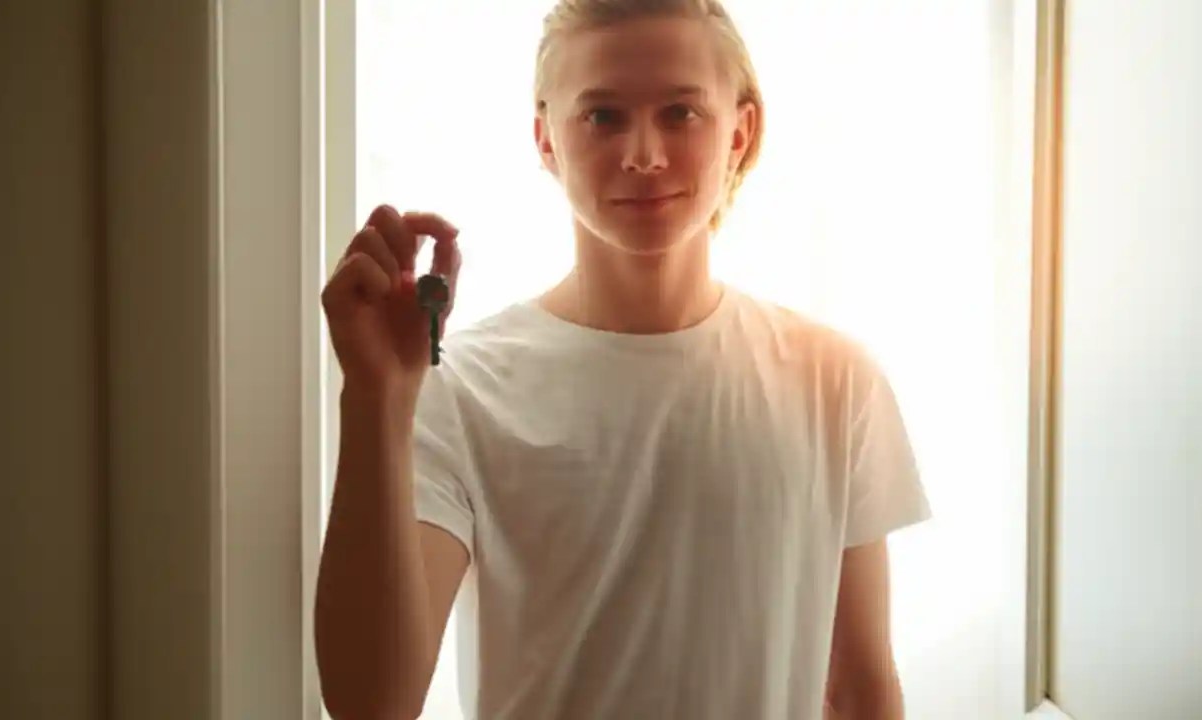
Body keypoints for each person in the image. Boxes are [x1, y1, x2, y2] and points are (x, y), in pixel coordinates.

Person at [314, 1, 932, 718]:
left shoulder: (835, 381)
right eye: (603, 116)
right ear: (547, 139)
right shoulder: (461, 390)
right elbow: (370, 705)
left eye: (680, 112)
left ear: (742, 129)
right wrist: (374, 397)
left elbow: (861, 691)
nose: (644, 153)